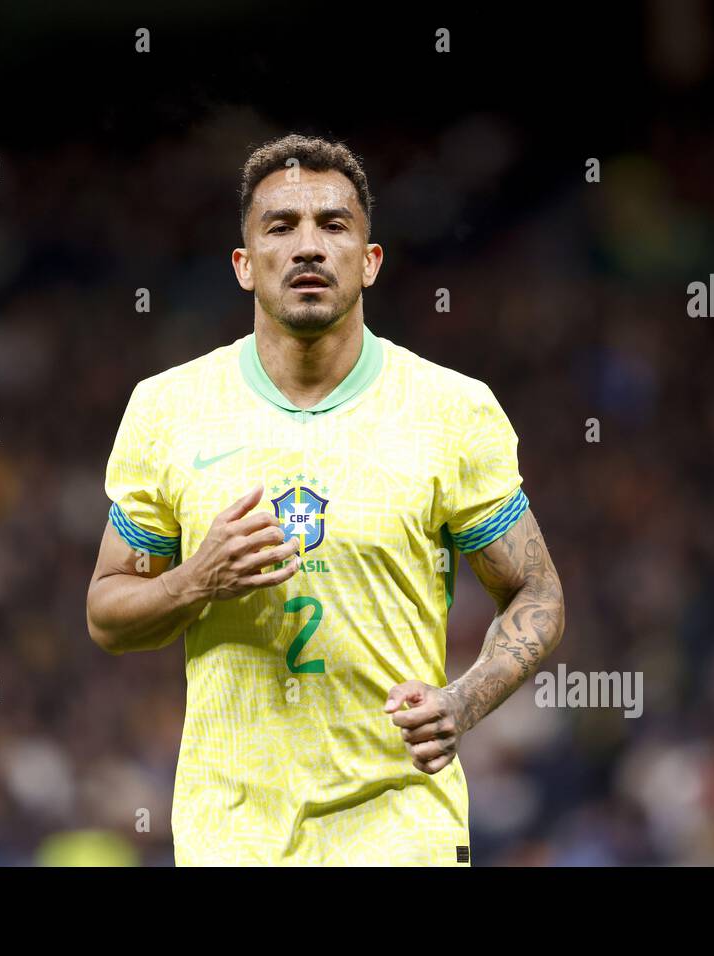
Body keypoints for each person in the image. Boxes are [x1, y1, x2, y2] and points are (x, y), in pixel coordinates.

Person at [87, 134, 565, 865]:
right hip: (231, 838)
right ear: (245, 266)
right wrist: (195, 580)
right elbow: (107, 615)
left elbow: (537, 590)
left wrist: (463, 702)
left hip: (402, 833)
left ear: (369, 262)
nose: (308, 246)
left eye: (334, 225)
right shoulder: (167, 410)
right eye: (281, 226)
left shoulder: (451, 409)